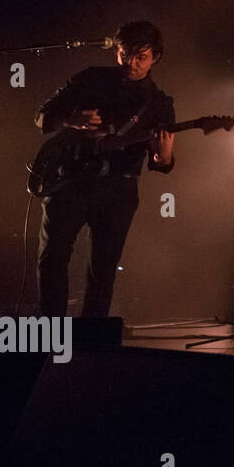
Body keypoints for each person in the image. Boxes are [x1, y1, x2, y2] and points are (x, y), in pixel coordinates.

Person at [34, 21, 176, 318]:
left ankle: (91, 346)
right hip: (70, 181)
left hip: (118, 190)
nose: (131, 62)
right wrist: (68, 121)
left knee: (103, 271)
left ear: (156, 57)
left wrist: (165, 157)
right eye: (125, 54)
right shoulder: (90, 79)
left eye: (141, 56)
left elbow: (159, 164)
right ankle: (50, 337)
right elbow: (42, 117)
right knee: (52, 259)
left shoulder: (159, 104)